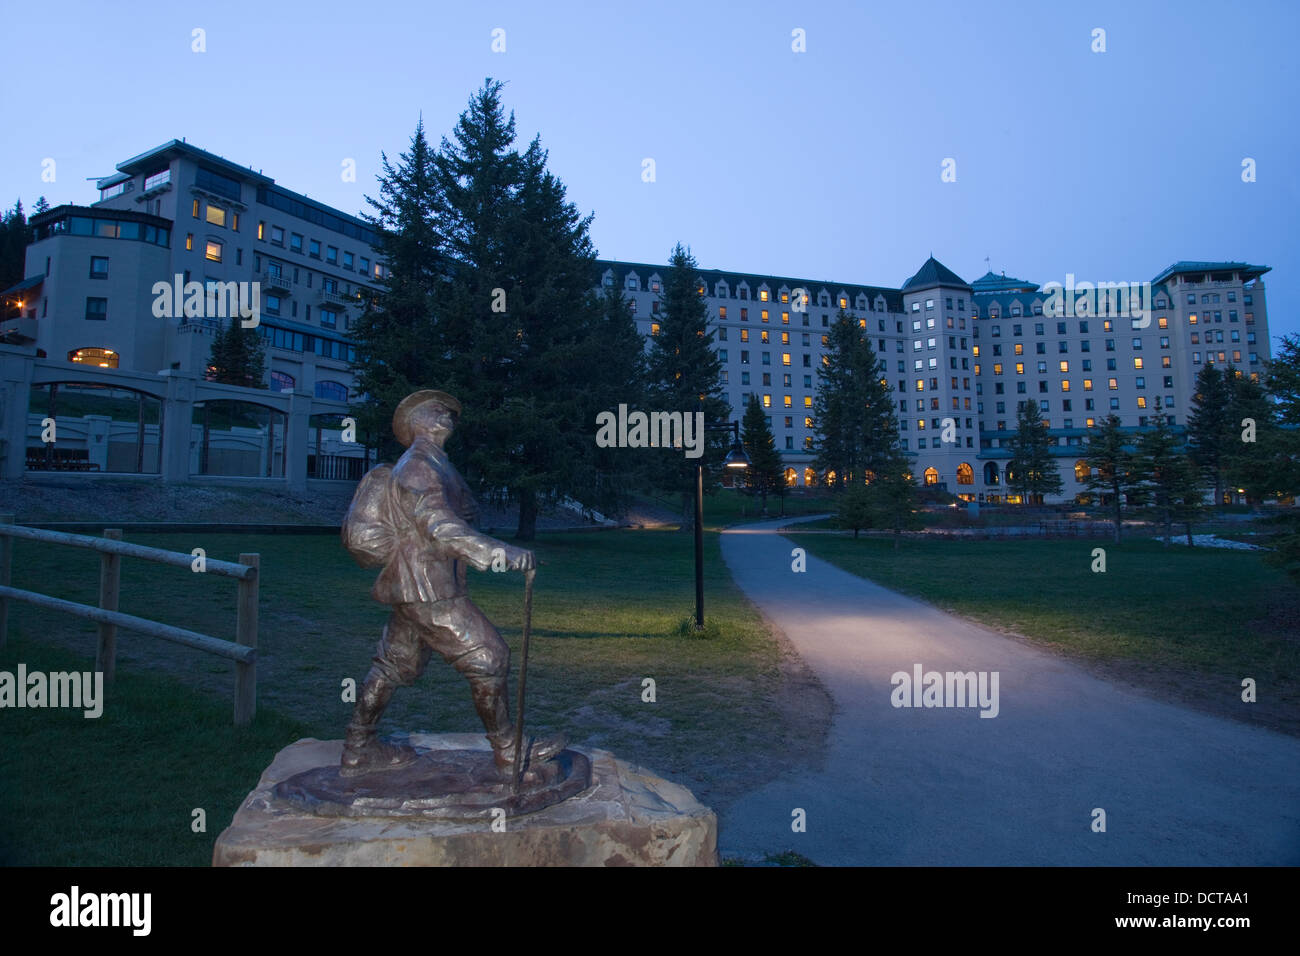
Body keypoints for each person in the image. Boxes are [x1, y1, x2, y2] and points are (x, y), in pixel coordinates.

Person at [340, 389, 565, 778]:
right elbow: (441, 529)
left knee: (393, 665)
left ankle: (358, 749)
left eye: (449, 412)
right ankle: (509, 752)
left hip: (416, 587)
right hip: (429, 588)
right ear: (415, 422)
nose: (446, 415)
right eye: (436, 410)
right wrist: (501, 553)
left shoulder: (436, 464)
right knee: (490, 658)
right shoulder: (418, 468)